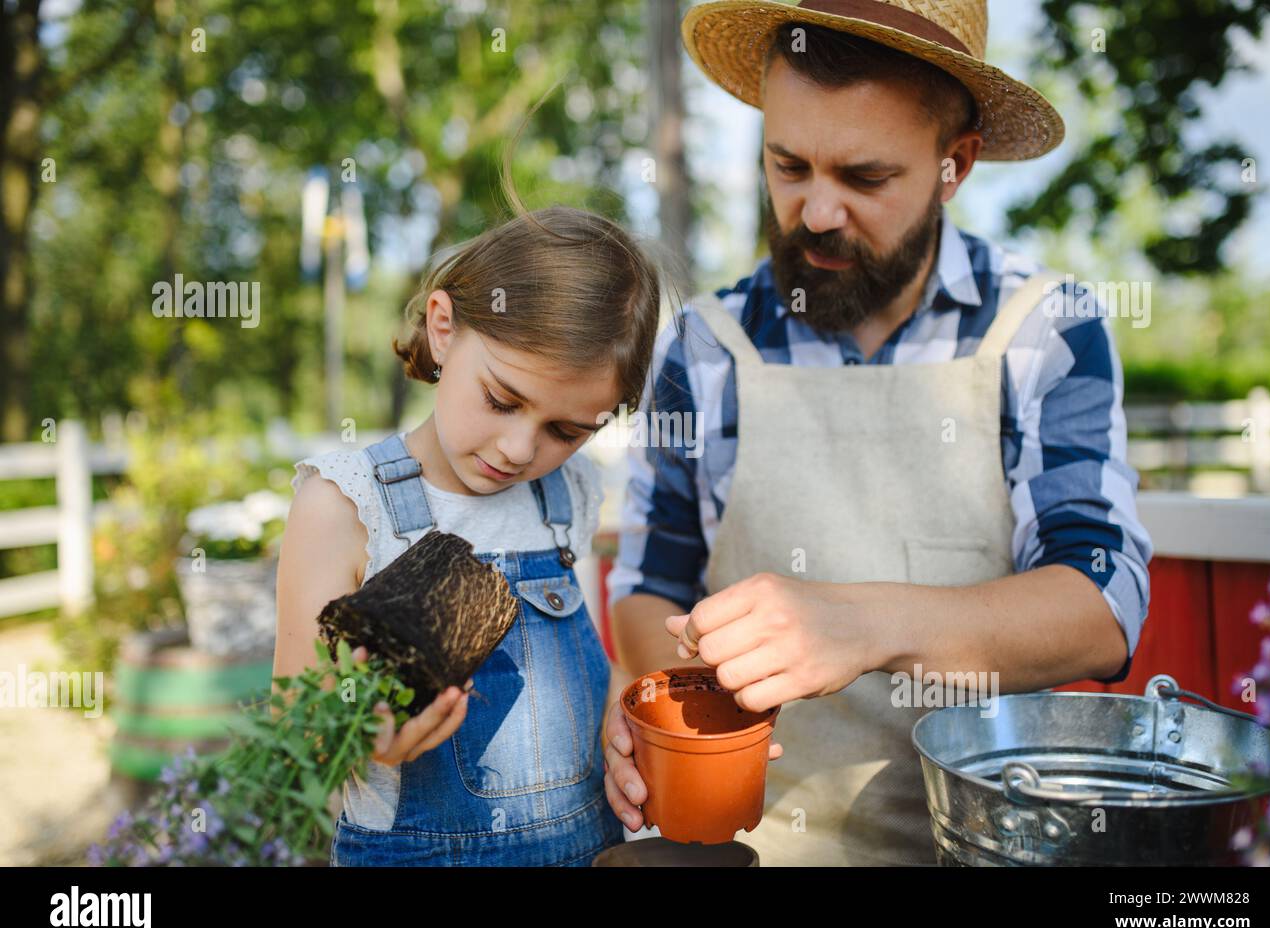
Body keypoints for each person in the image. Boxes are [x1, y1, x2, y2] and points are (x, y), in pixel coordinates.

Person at [603, 0, 1153, 866]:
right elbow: (649, 581)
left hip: (982, 844)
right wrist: (651, 700)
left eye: (864, 178)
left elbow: (1100, 606)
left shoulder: (1046, 330)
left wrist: (859, 625)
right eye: (788, 166)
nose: (817, 212)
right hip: (750, 846)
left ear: (954, 165)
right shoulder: (705, 344)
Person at [274, 158, 661, 864]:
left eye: (566, 431)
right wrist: (363, 744)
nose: (520, 449)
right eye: (503, 400)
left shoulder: (566, 495)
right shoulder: (345, 505)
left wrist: (620, 716)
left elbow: (588, 670)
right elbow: (297, 728)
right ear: (444, 327)